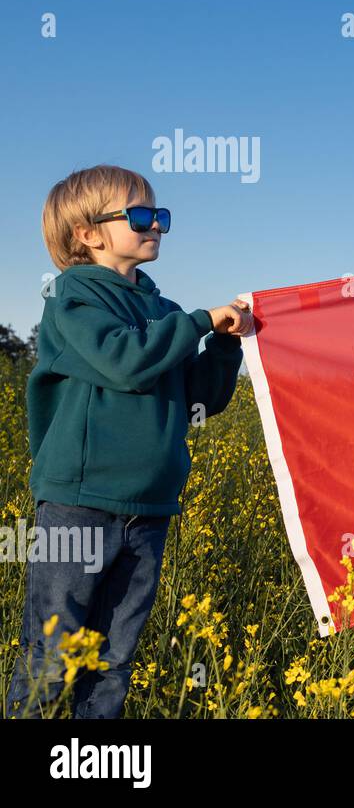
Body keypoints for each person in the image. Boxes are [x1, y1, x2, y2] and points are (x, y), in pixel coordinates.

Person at [4, 165, 252, 718]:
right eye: (140, 216)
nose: (156, 225)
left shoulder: (163, 311)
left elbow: (202, 400)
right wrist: (199, 321)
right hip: (80, 501)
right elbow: (125, 361)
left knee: (114, 659)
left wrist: (224, 347)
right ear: (87, 234)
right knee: (55, 652)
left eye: (160, 216)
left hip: (149, 507)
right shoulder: (73, 296)